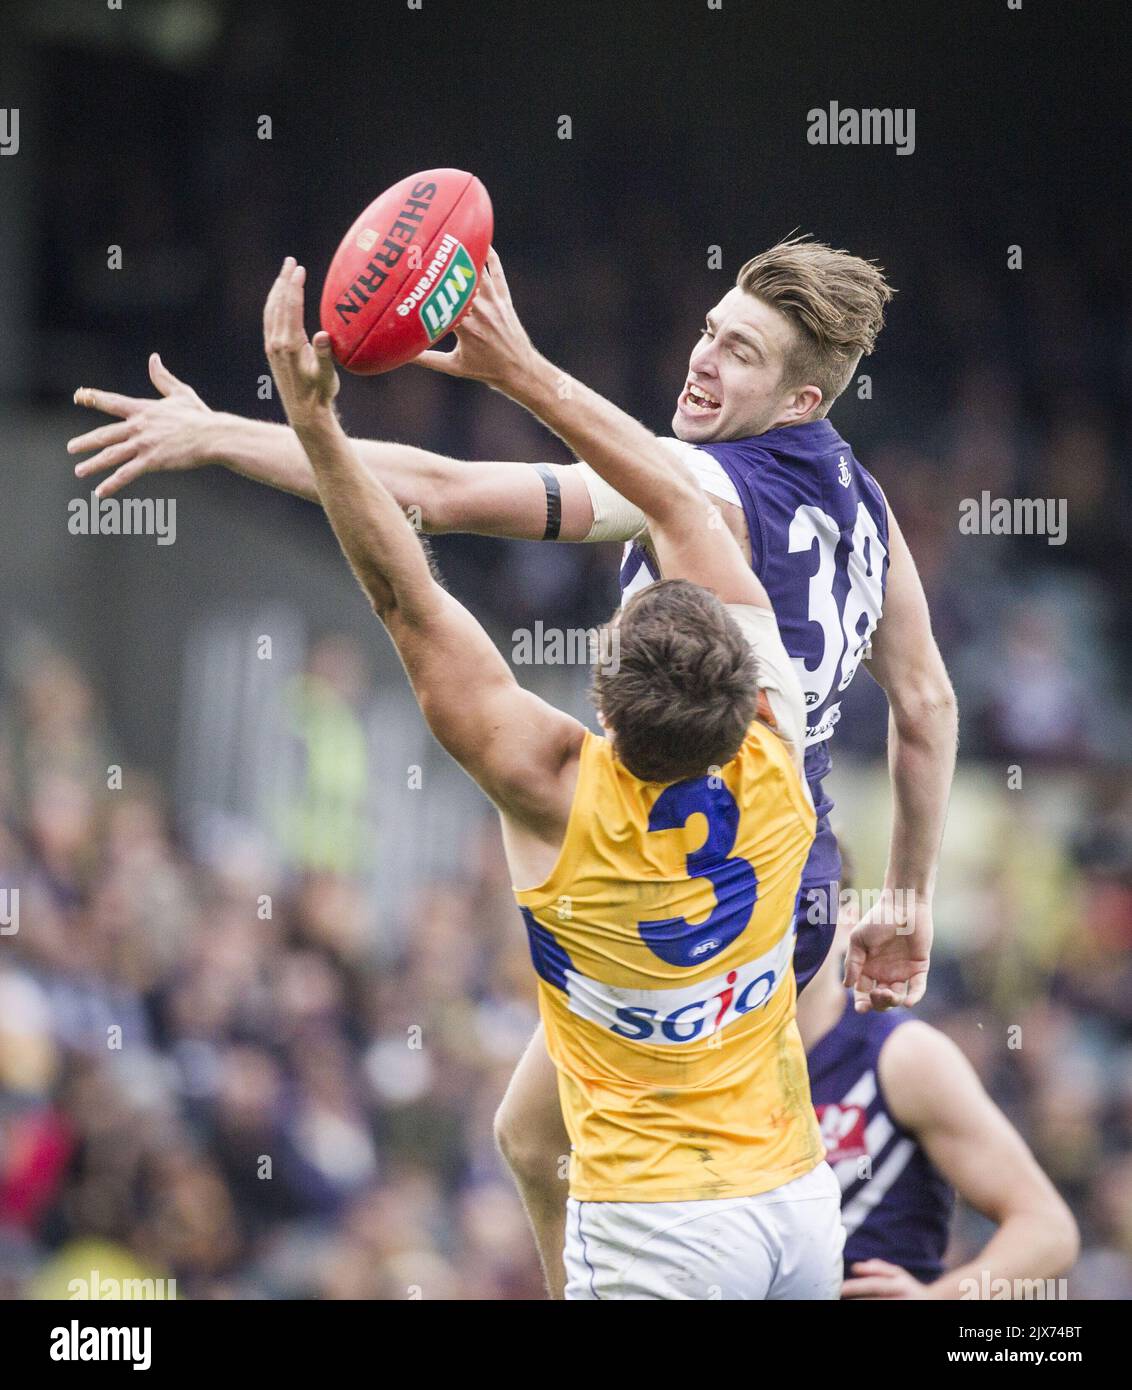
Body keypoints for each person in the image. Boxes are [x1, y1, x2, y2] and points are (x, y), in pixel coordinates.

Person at [69, 235, 957, 1295]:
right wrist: (906, 895)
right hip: (783, 862)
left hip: (670, 860)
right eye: (710, 330)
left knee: (624, 1155)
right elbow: (927, 702)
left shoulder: (695, 483)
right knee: (556, 1137)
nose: (705, 360)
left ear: (801, 398)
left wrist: (227, 431)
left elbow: (434, 496)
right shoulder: (867, 503)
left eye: (742, 355)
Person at [258, 250, 848, 1298]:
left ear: (602, 703)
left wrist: (314, 424)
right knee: (523, 1137)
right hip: (794, 1205)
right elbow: (678, 506)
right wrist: (521, 370)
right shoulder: (778, 749)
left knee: (531, 1140)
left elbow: (405, 593)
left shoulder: (547, 784)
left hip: (660, 1235)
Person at [797, 892, 1079, 1299]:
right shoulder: (713, 1064)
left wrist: (940, 1297)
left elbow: (1048, 1230)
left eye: (802, 907)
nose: (786, 930)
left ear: (848, 920)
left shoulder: (902, 1056)